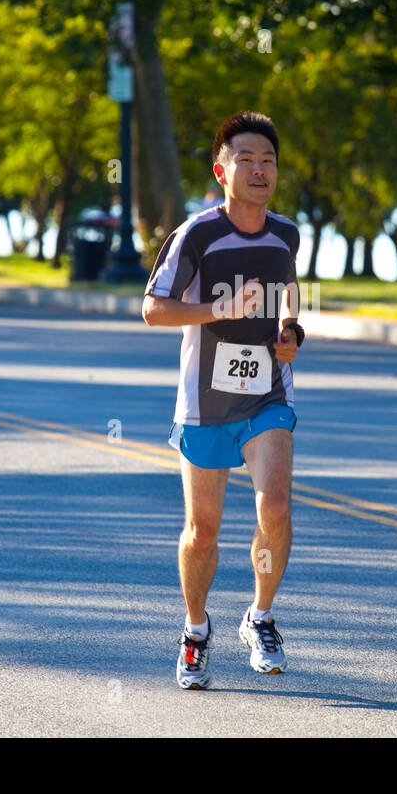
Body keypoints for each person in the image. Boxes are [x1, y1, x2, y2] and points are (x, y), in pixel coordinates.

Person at [141, 110, 305, 690]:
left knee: (276, 507)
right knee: (202, 530)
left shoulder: (287, 233)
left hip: (267, 398)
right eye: (246, 160)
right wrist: (218, 310)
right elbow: (153, 309)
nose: (259, 170)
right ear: (221, 170)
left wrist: (290, 333)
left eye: (269, 161)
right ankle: (194, 631)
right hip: (205, 405)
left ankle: (260, 618)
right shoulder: (196, 236)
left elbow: (289, 292)